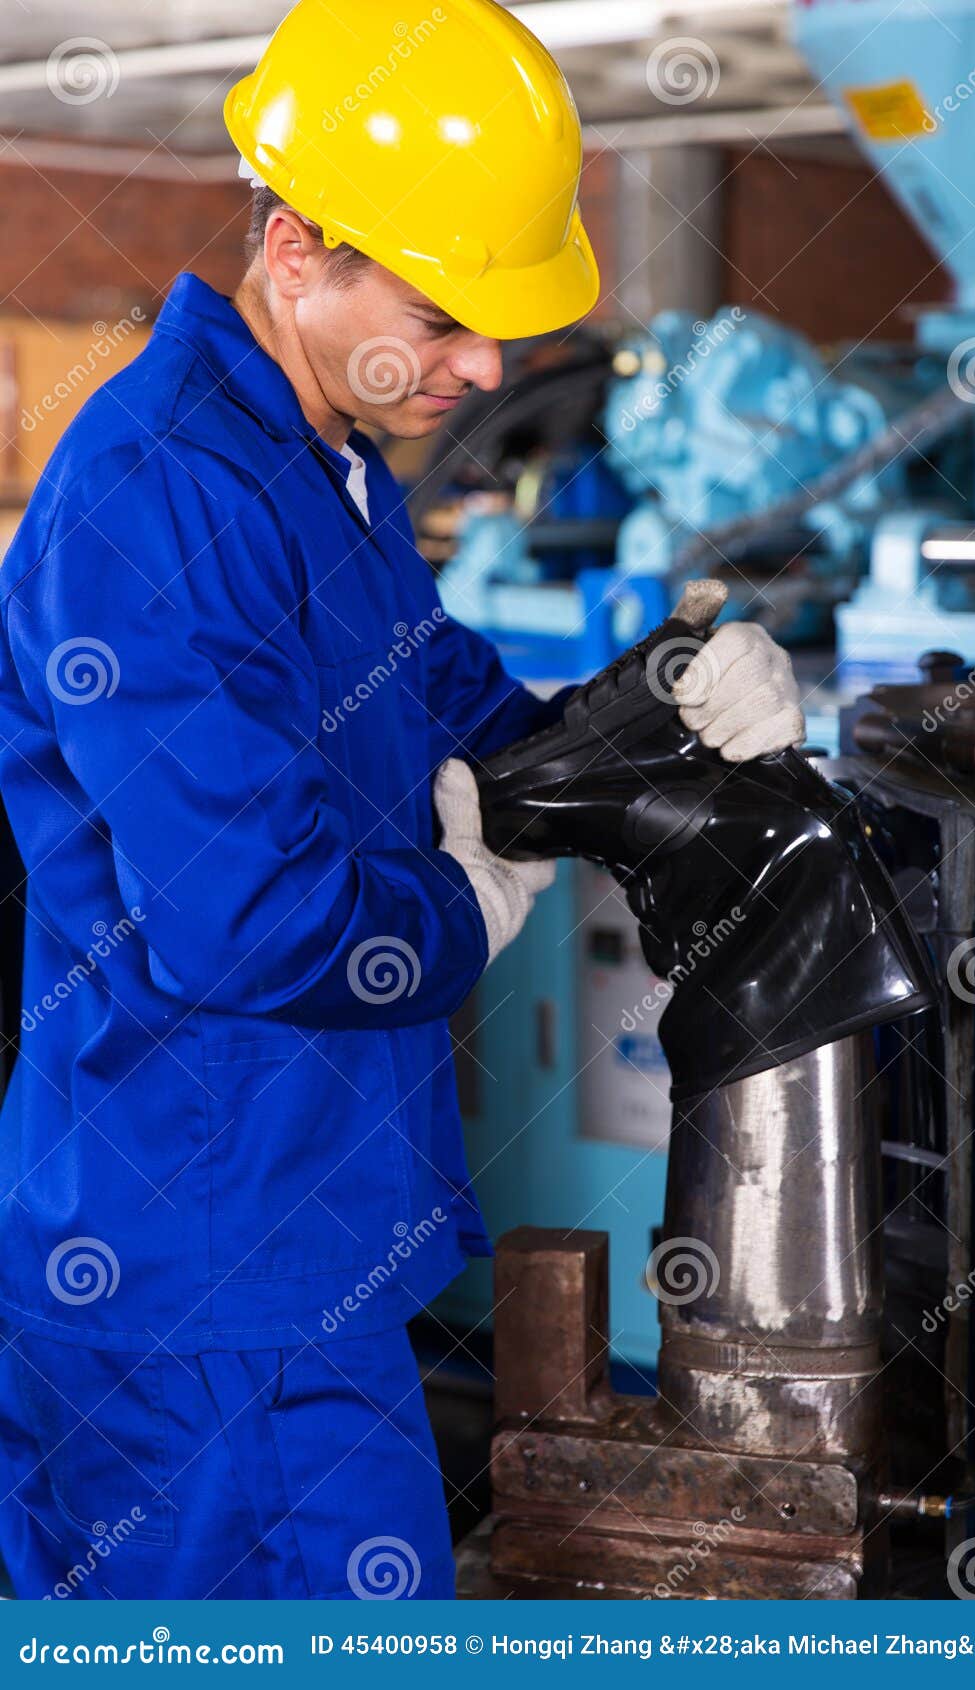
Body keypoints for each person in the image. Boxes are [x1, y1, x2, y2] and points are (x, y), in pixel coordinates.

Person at [0, 0, 803, 1600]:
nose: (488, 367)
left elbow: (471, 722)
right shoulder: (164, 498)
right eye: (443, 315)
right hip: (213, 1293)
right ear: (297, 249)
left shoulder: (324, 464)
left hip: (288, 1247)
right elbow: (251, 919)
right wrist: (464, 906)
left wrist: (663, 708)